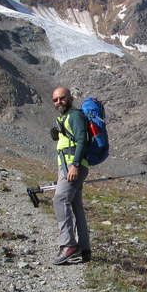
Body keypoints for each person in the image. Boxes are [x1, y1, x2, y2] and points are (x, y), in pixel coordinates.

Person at [50, 87, 91, 265]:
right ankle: (84, 249)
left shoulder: (74, 116)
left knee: (60, 200)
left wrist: (75, 165)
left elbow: (82, 140)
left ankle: (68, 245)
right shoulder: (65, 117)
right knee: (75, 205)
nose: (59, 102)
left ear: (71, 98)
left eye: (62, 98)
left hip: (72, 165)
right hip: (71, 164)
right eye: (55, 100)